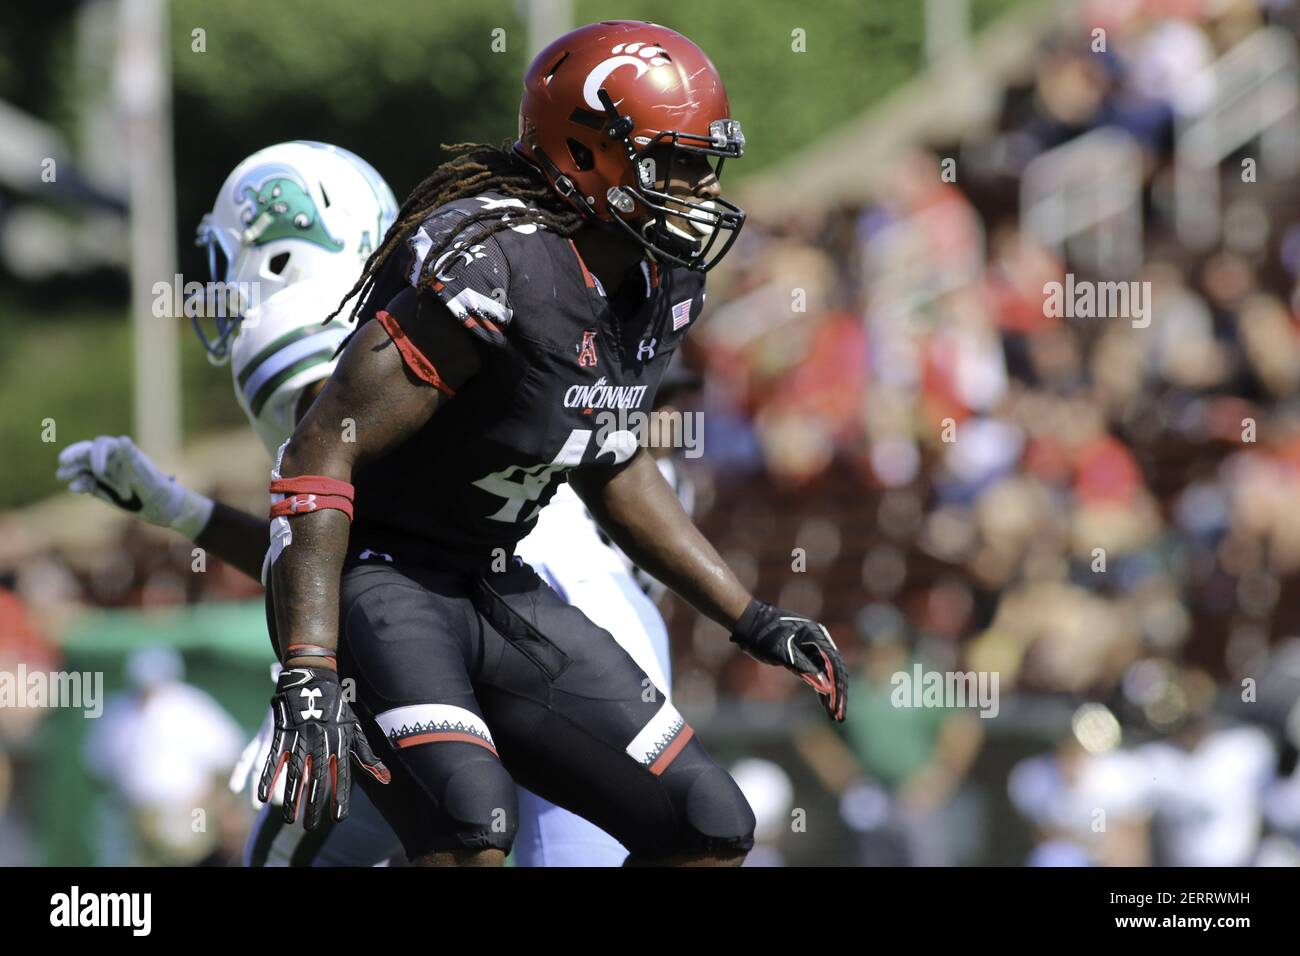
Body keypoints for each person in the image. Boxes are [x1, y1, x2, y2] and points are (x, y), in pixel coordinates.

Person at [260, 20, 847, 867]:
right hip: (380, 582)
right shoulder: (495, 263)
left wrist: (750, 620)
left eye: (706, 163)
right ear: (588, 153)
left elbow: (611, 457)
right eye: (677, 162)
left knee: (711, 823)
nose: (703, 186)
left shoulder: (659, 276)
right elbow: (318, 452)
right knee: (473, 822)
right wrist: (309, 666)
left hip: (492, 579)